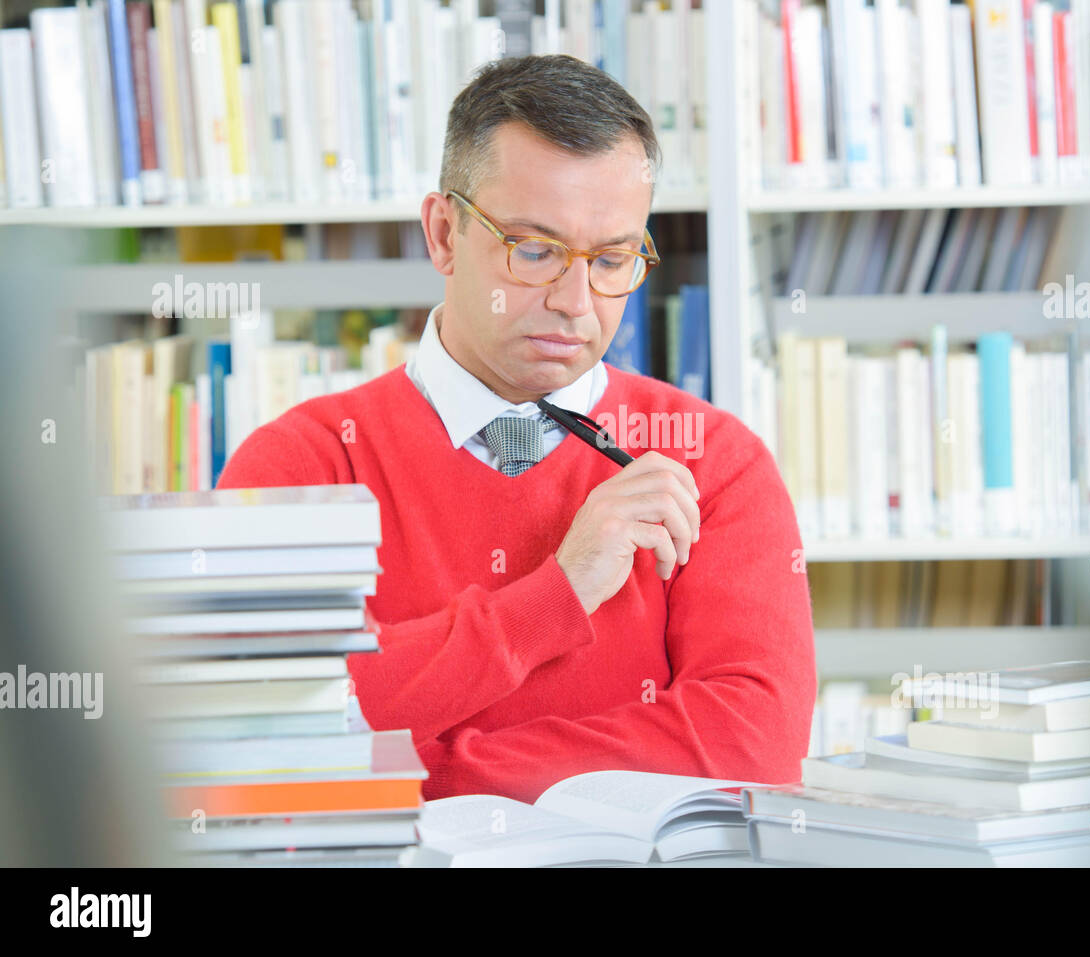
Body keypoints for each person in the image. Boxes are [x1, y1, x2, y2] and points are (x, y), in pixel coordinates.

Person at [217, 54, 816, 803]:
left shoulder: (714, 463)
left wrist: (442, 771)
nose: (575, 300)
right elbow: (266, 730)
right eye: (535, 250)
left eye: (612, 258)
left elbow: (752, 742)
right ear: (442, 234)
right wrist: (555, 594)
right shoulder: (299, 467)